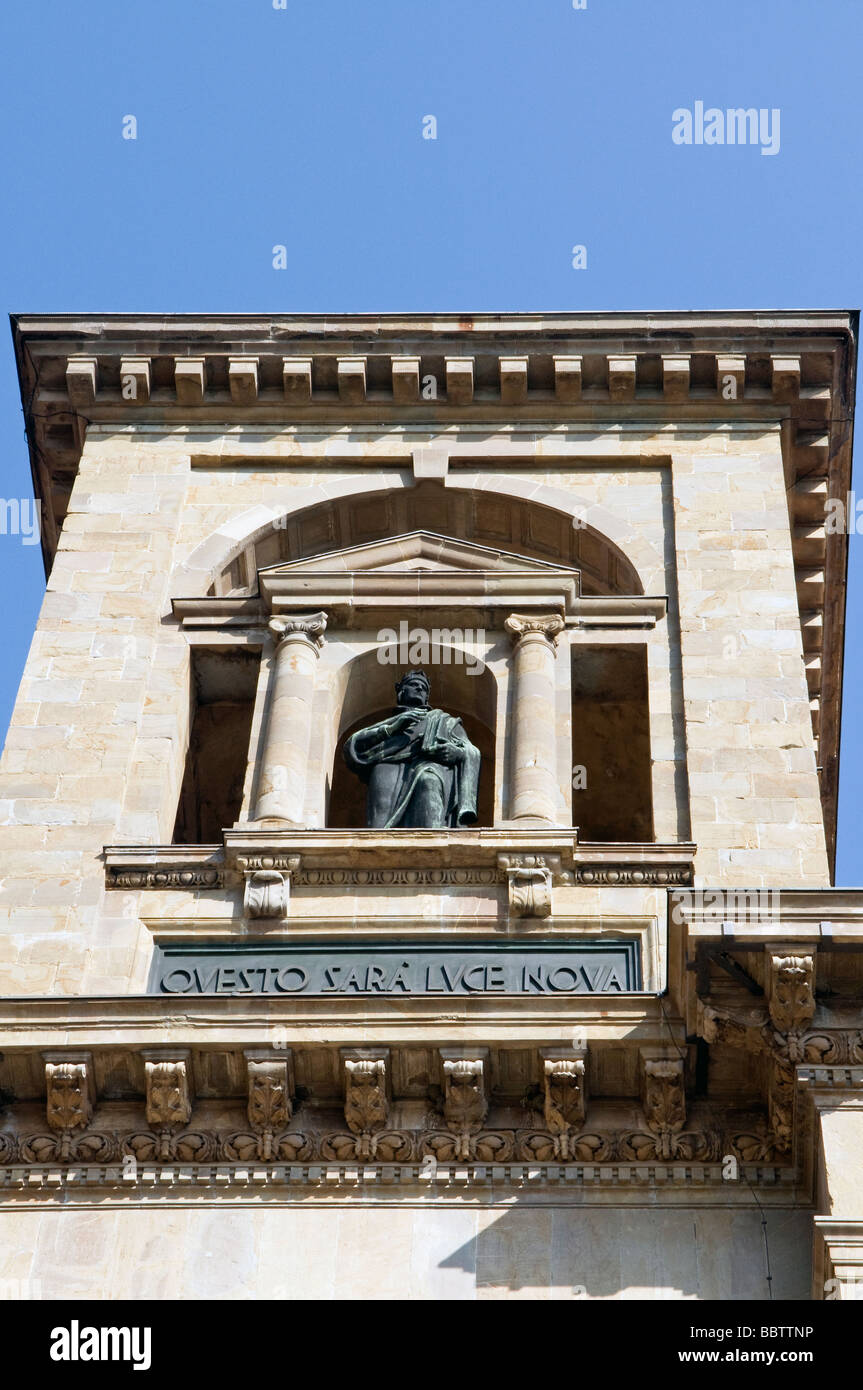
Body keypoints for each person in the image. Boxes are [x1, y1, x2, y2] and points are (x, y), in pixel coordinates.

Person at [343, 669, 480, 829]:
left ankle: (432, 847)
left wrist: (458, 752)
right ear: (401, 690)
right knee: (378, 822)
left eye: (423, 688)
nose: (419, 689)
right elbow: (354, 746)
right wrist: (391, 728)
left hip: (428, 767)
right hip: (387, 768)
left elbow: (471, 750)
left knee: (429, 781)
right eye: (413, 684)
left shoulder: (444, 721)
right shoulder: (390, 723)